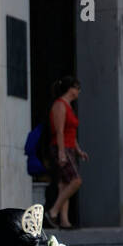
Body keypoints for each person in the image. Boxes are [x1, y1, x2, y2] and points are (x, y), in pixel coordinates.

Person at [47, 76, 88, 229]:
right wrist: (61, 153)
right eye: (77, 88)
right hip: (61, 147)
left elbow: (71, 131)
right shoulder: (60, 105)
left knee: (65, 185)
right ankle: (53, 211)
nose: (78, 91)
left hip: (69, 147)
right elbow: (59, 131)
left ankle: (64, 221)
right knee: (76, 181)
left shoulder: (69, 106)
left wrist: (78, 150)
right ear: (70, 89)